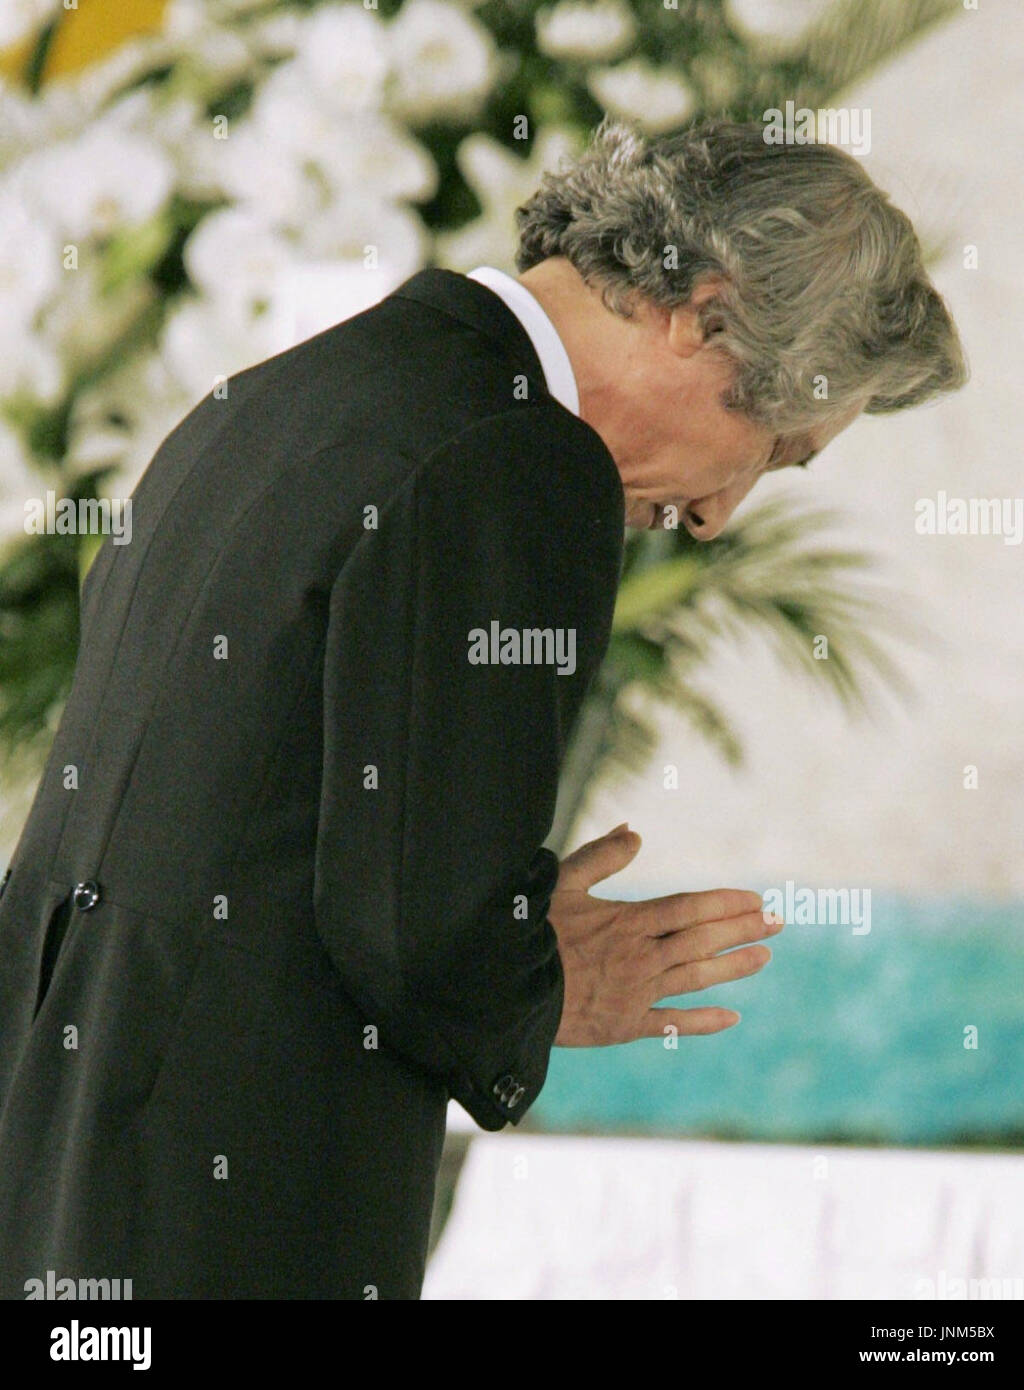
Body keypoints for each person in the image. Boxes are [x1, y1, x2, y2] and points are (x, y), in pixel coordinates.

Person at [0, 119, 966, 1299]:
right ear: (704, 316)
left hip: (63, 1175)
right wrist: (539, 979)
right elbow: (414, 927)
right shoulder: (519, 455)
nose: (720, 514)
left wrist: (482, 912)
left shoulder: (269, 400)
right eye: (773, 449)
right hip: (235, 1209)